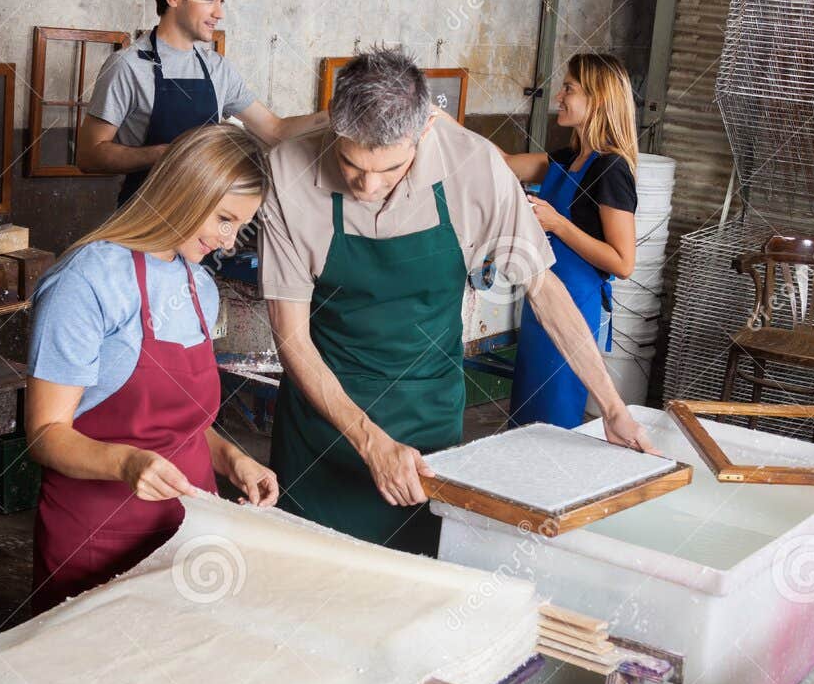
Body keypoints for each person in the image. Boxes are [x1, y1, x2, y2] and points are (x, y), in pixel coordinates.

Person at [258, 46, 651, 557]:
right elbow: (291, 337)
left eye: (390, 169)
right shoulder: (288, 173)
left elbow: (545, 291)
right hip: (323, 419)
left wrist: (612, 406)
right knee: (304, 577)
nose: (368, 186)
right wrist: (370, 441)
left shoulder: (476, 167)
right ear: (334, 125)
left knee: (414, 582)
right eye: (352, 164)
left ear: (424, 131)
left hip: (428, 420)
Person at [27, 125, 277, 612]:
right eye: (224, 219)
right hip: (100, 537)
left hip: (190, 534)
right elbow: (44, 433)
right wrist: (125, 463)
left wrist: (232, 460)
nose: (228, 242)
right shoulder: (88, 280)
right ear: (187, 189)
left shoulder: (200, 287)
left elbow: (182, 427)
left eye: (239, 226)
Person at [76, 0, 329, 206]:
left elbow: (276, 131)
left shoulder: (217, 68)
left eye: (221, 1)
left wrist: (334, 115)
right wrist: (162, 154)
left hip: (204, 223)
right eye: (209, 0)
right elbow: (89, 156)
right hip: (143, 222)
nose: (219, 13)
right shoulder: (128, 66)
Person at [506, 53, 639, 429]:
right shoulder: (568, 158)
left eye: (569, 89)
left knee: (553, 421)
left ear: (596, 100)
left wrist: (559, 225)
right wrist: (445, 126)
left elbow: (623, 262)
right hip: (541, 299)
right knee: (526, 421)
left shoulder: (611, 169)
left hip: (575, 308)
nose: (559, 97)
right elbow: (504, 161)